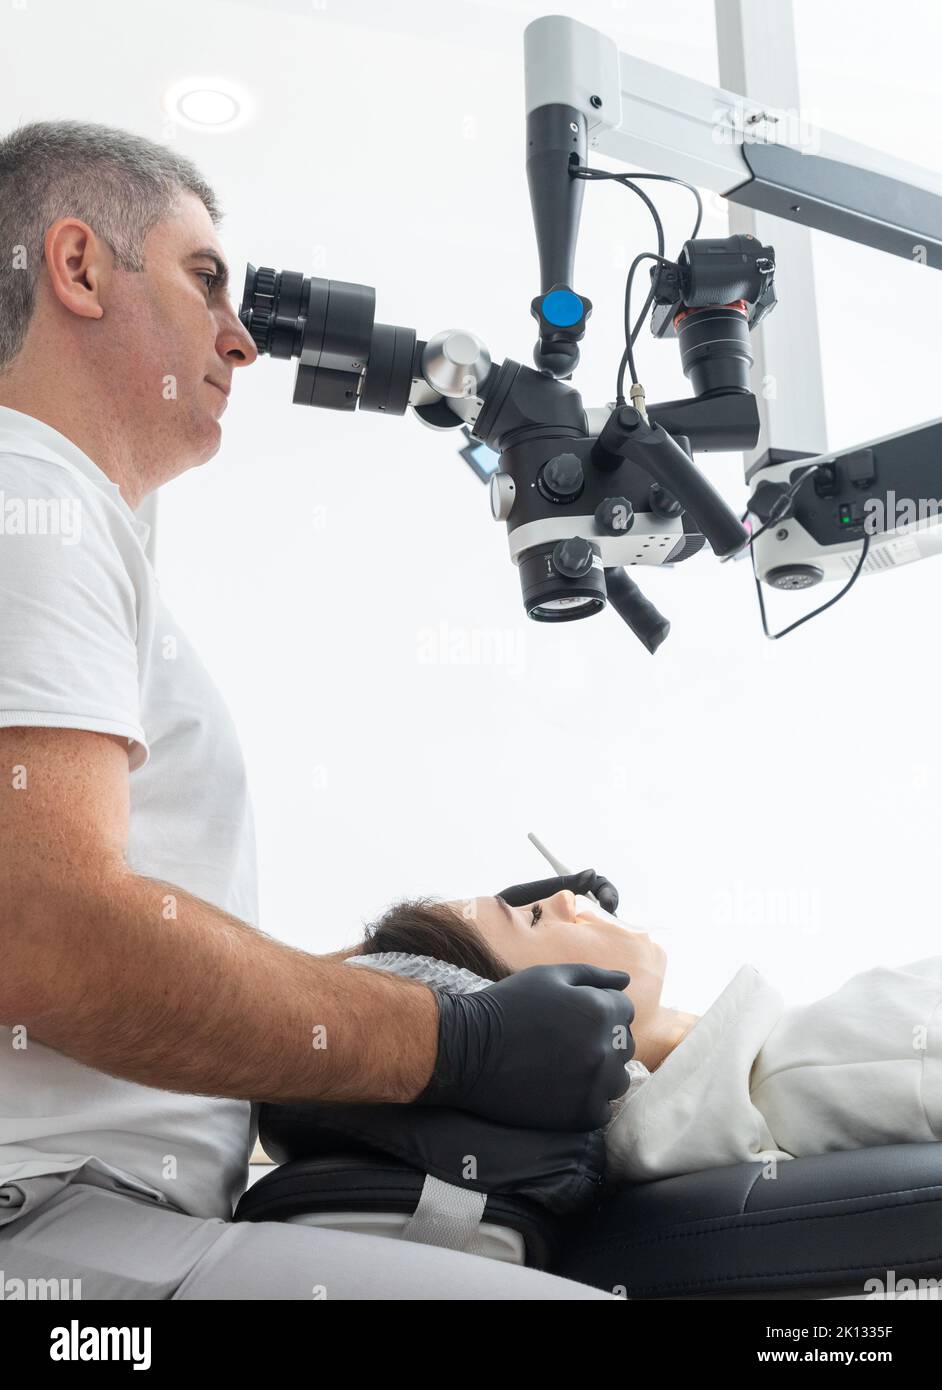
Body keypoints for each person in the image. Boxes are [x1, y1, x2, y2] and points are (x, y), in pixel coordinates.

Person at [0, 119, 631, 1301]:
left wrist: (438, 975)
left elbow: (119, 934)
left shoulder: (72, 520)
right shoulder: (28, 492)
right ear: (77, 267)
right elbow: (43, 933)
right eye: (205, 281)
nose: (241, 337)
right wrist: (461, 1039)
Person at [353, 890, 942, 1184]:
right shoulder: (808, 1067)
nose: (562, 896)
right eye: (531, 916)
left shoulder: (733, 1103)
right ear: (549, 1008)